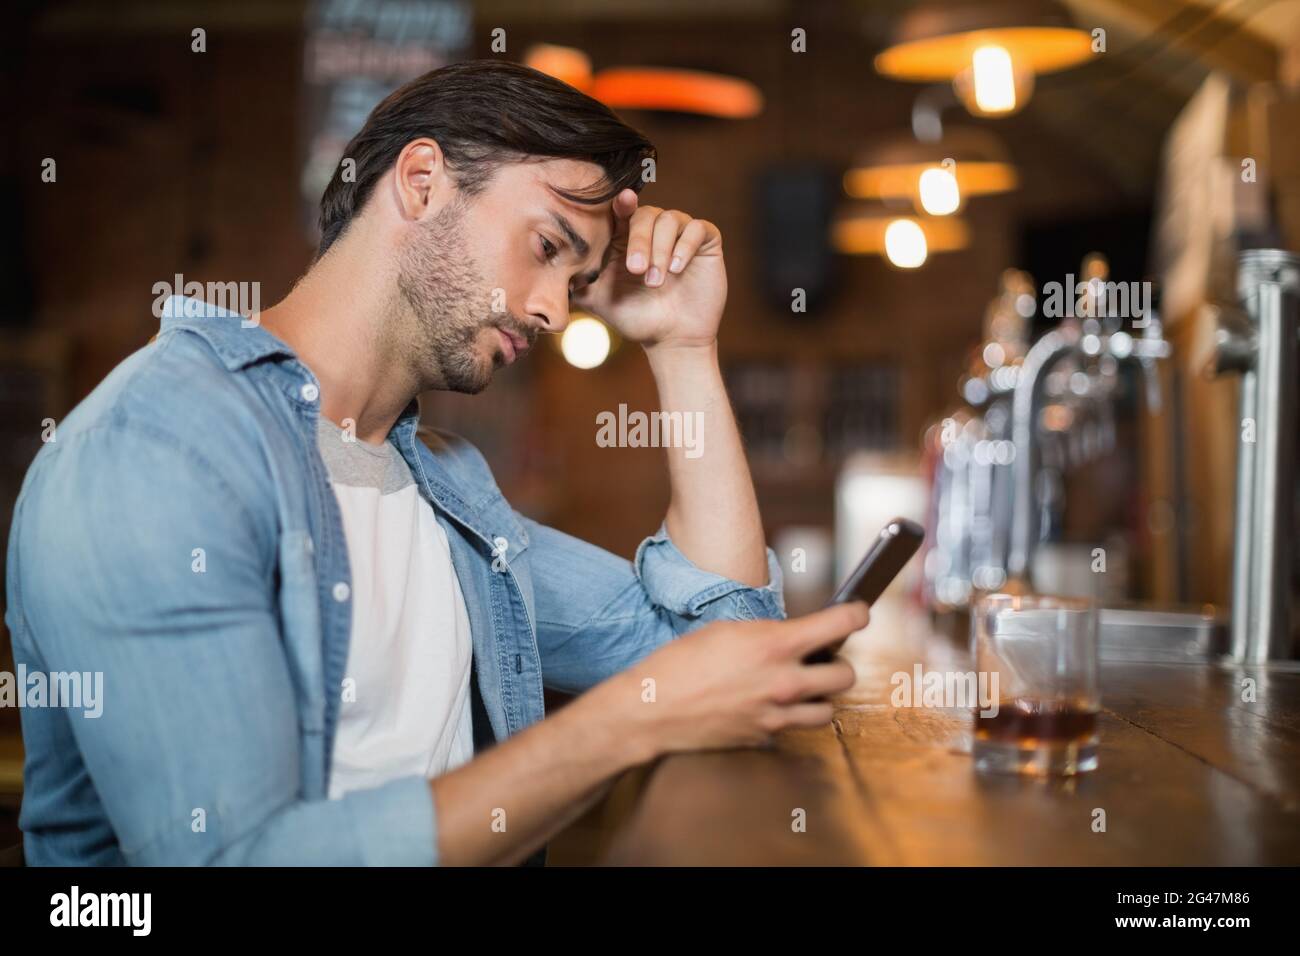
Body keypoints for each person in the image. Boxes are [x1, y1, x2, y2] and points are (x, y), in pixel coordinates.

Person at [5, 60, 866, 866]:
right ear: (421, 183)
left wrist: (683, 347)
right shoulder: (157, 450)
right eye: (547, 247)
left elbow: (729, 652)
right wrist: (620, 728)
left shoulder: (447, 490)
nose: (553, 313)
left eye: (576, 281)